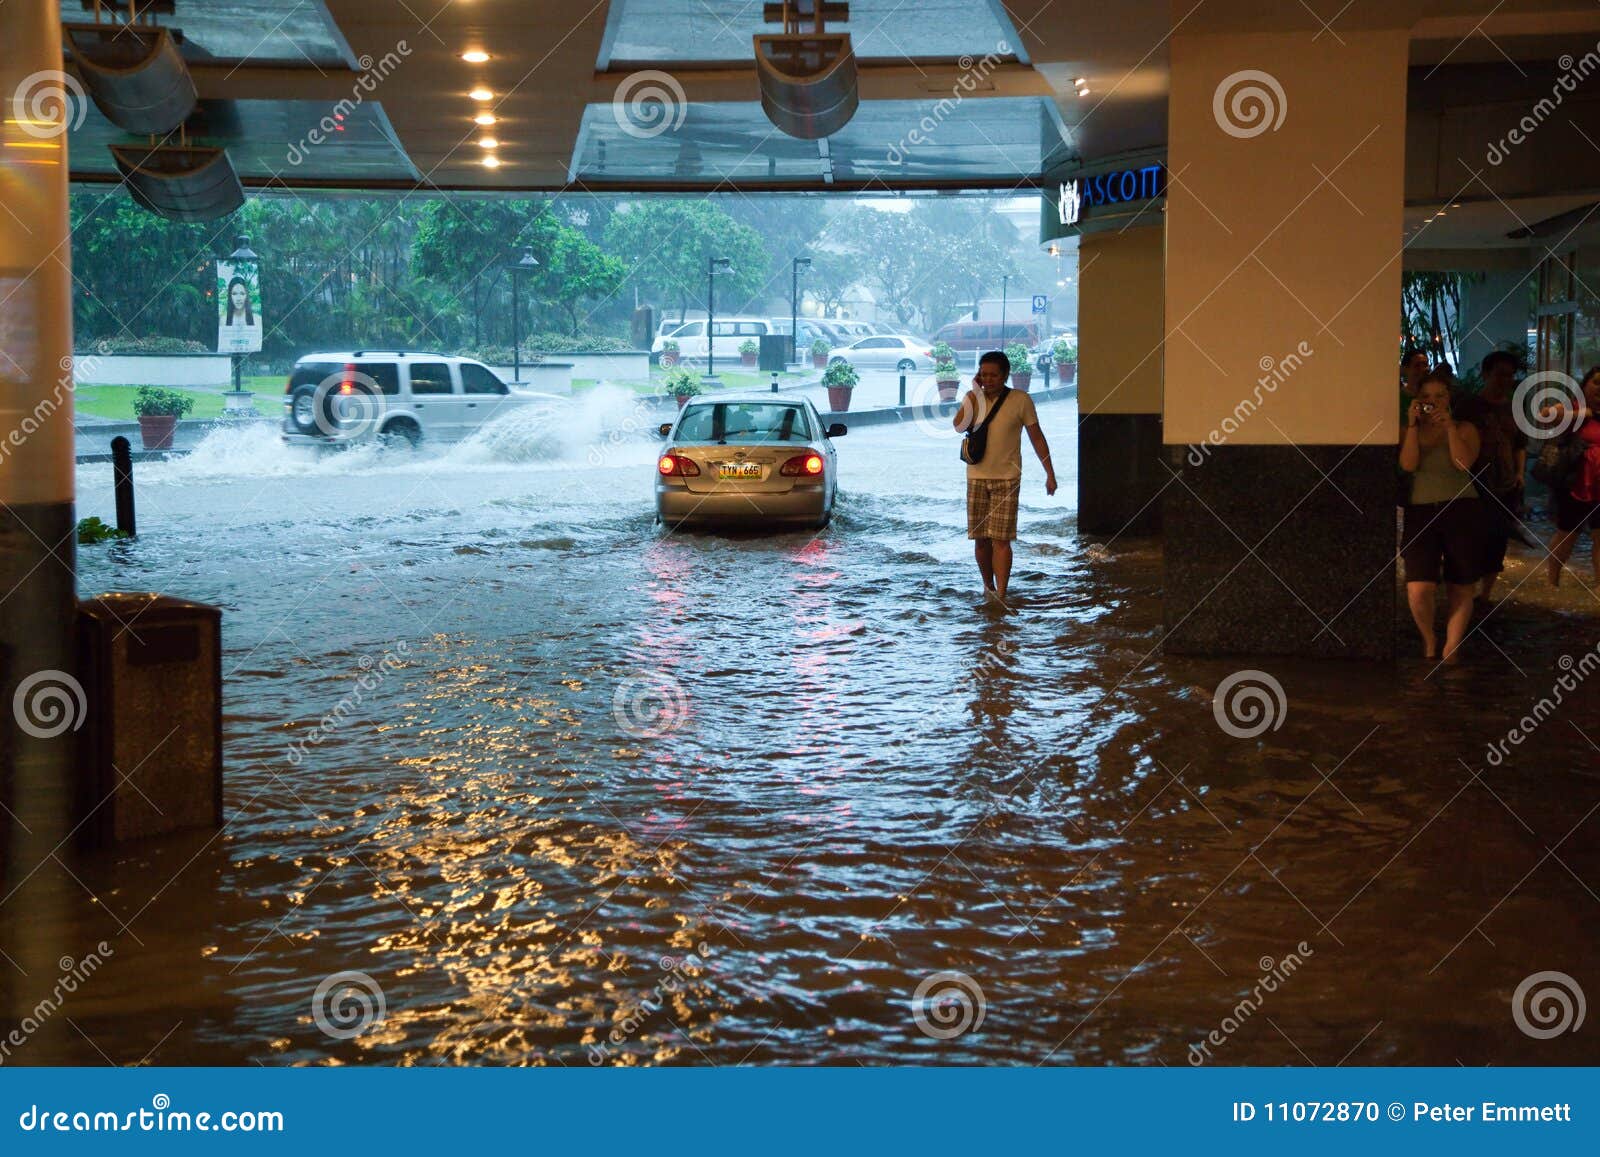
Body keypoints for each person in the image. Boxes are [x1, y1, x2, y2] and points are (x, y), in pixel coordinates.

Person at [953, 350, 1056, 606]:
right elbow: (957, 426)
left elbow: (1037, 437)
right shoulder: (973, 398)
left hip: (1007, 479)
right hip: (976, 477)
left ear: (1005, 375)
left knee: (1001, 539)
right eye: (983, 374)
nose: (988, 379)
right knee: (980, 539)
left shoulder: (1021, 400)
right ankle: (987, 587)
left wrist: (1050, 474)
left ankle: (1002, 593)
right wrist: (975, 394)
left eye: (993, 375)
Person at [1399, 370, 1485, 660]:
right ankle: (1429, 639)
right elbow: (1409, 465)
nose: (1432, 402)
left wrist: (1449, 429)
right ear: (1416, 401)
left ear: (1450, 399)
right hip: (1420, 509)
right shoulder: (1409, 430)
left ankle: (1452, 645)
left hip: (1461, 507)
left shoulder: (1465, 429)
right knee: (1418, 586)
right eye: (1425, 397)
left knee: (1461, 583)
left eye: (1439, 396)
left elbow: (1462, 464)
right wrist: (1412, 426)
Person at [1455, 350, 1528, 602]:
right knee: (1473, 536)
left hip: (1505, 484)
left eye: (1509, 375)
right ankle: (1468, 587)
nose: (1505, 380)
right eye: (1499, 374)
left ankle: (1485, 593)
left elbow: (1520, 444)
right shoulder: (1469, 406)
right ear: (1486, 374)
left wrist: (1520, 473)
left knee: (1499, 538)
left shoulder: (1513, 410)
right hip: (1474, 483)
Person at [1545, 365, 1600, 587]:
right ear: (1585, 384)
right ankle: (1552, 583)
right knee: (1567, 534)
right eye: (1596, 382)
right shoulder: (1574, 407)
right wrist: (1582, 414)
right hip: (1575, 482)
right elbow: (1546, 415)